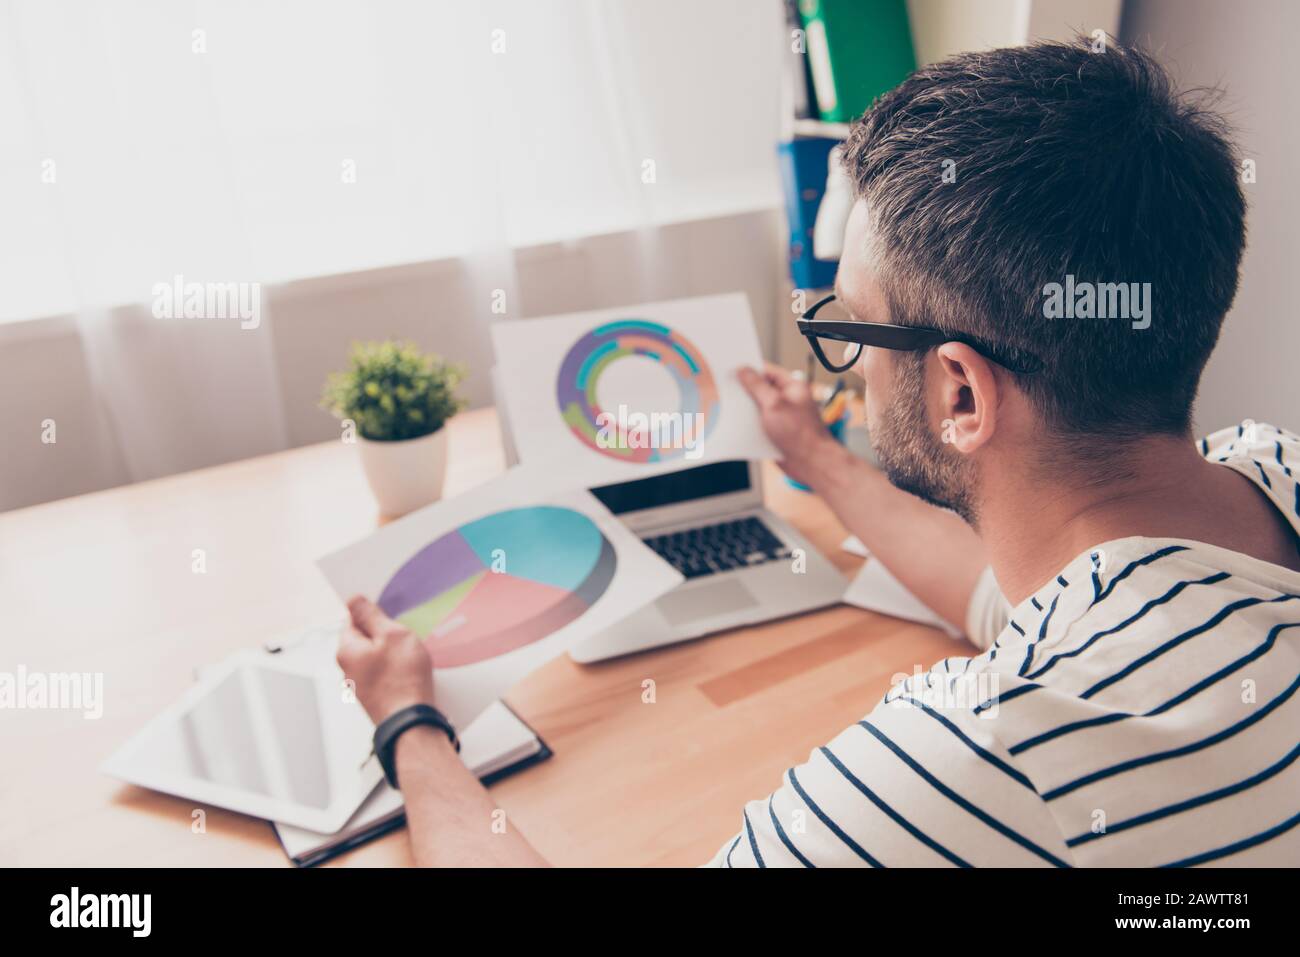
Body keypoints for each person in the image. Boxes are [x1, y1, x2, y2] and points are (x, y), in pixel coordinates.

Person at [337, 39, 1300, 867]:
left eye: (850, 326)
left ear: (959, 391)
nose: (840, 362)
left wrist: (412, 730)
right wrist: (825, 462)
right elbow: (1008, 595)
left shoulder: (982, 758)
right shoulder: (1265, 471)